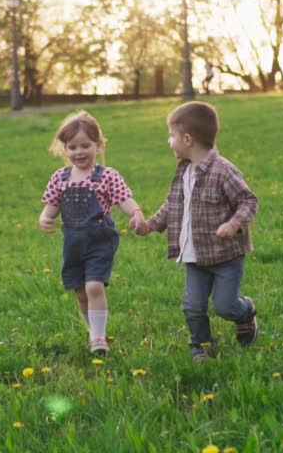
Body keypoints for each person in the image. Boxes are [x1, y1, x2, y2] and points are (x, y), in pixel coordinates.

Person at [134, 101, 258, 362]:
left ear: (187, 139)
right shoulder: (183, 172)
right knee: (192, 306)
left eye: (172, 136)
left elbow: (249, 201)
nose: (170, 142)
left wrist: (234, 223)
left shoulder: (223, 171)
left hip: (225, 256)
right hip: (195, 256)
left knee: (225, 307)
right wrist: (150, 225)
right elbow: (172, 205)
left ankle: (245, 311)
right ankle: (201, 345)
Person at [40, 111, 145, 355]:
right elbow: (51, 207)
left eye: (85, 146)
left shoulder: (107, 176)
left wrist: (136, 213)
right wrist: (44, 218)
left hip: (100, 241)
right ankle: (93, 331)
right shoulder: (60, 178)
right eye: (72, 147)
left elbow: (124, 199)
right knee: (80, 290)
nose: (79, 152)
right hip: (73, 244)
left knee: (94, 287)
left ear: (98, 145)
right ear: (64, 149)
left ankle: (98, 338)